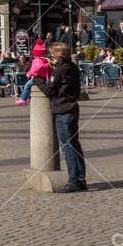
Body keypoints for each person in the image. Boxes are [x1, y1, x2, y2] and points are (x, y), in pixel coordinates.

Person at [42, 43, 86, 192]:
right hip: (72, 108)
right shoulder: (72, 67)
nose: (52, 56)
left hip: (62, 110)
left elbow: (50, 90)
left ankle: (74, 181)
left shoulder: (60, 70)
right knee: (75, 144)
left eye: (53, 53)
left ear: (57, 55)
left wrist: (39, 82)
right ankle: (81, 179)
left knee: (67, 146)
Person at [18, 39, 50, 105]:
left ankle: (23, 99)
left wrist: (29, 73)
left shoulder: (38, 60)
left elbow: (36, 69)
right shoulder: (45, 59)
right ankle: (27, 98)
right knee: (29, 86)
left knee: (27, 85)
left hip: (38, 77)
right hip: (43, 77)